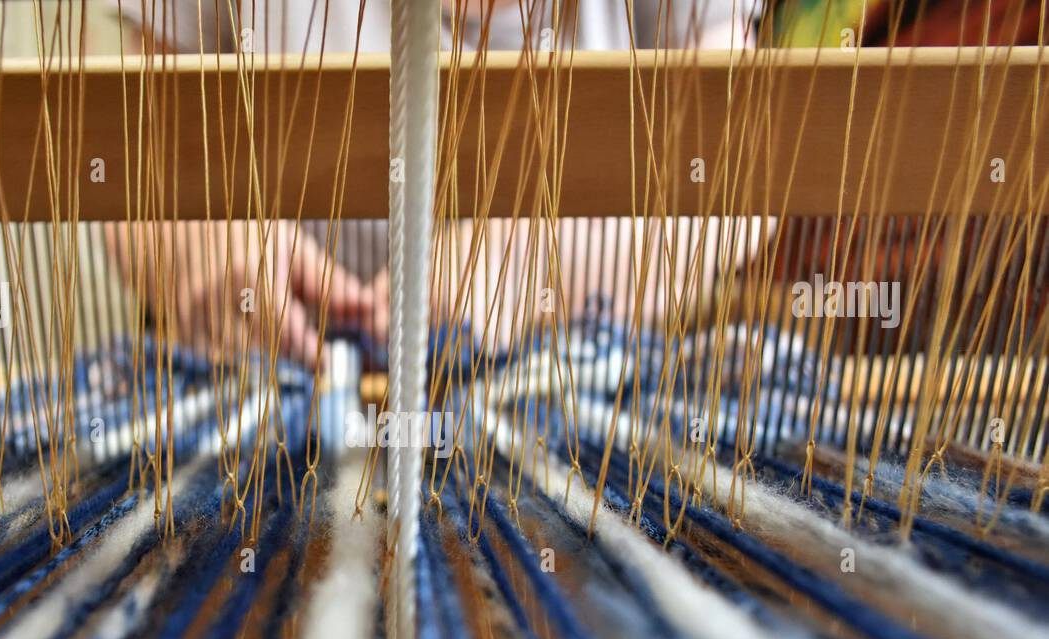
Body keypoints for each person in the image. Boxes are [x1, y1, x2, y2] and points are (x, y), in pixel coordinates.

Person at [110, 0, 752, 368]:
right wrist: (200, 243)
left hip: (575, 395)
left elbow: (743, 170)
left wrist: (526, 265)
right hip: (275, 404)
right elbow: (132, 151)